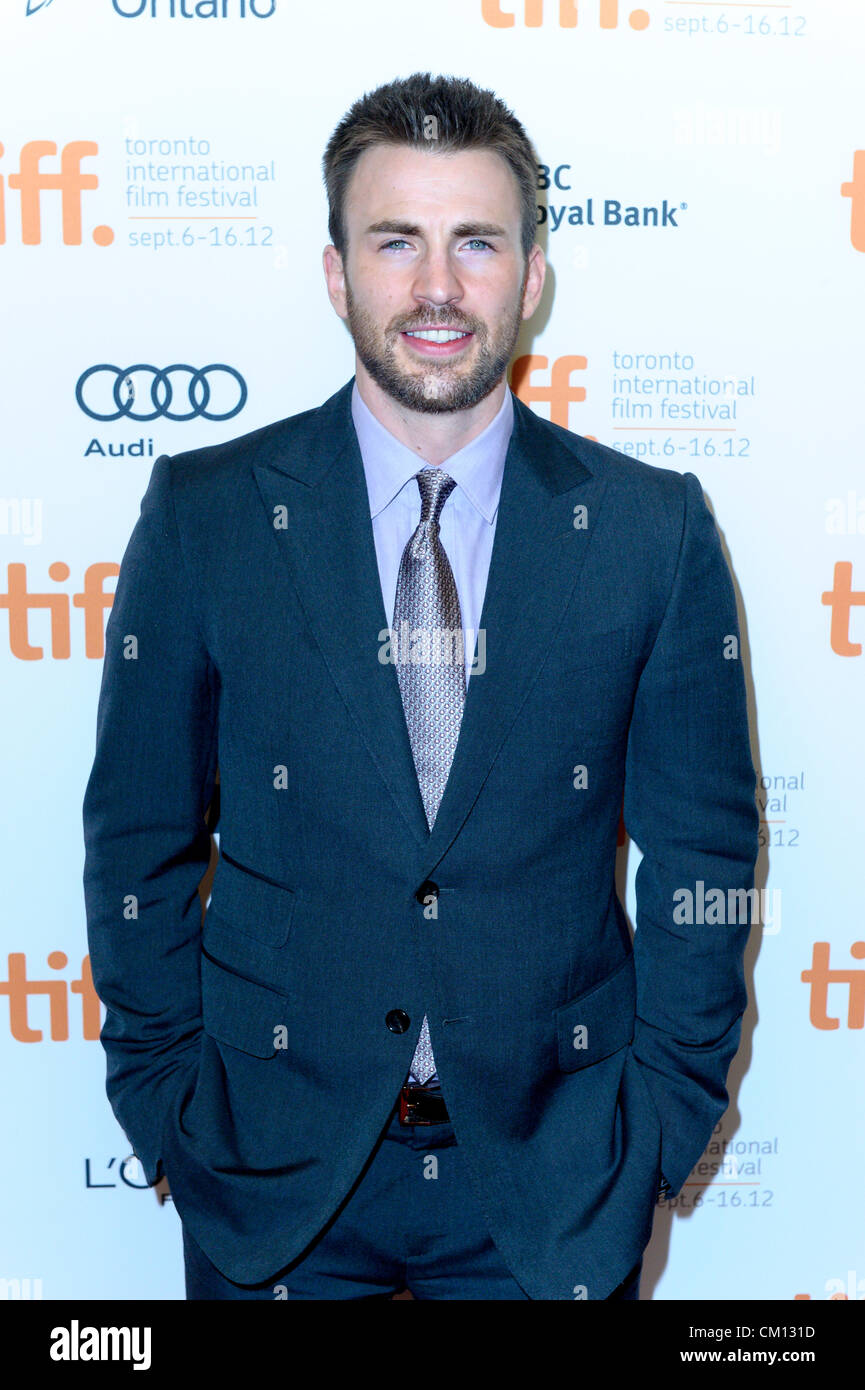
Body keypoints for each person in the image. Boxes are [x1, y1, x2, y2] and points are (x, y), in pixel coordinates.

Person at [82, 72, 759, 1301]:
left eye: (475, 243)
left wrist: (657, 1122)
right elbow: (136, 840)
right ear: (338, 275)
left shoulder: (649, 532)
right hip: (269, 1168)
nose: (437, 288)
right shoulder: (208, 517)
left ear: (533, 275)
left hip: (553, 1178)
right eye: (396, 242)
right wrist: (164, 1097)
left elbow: (704, 855)